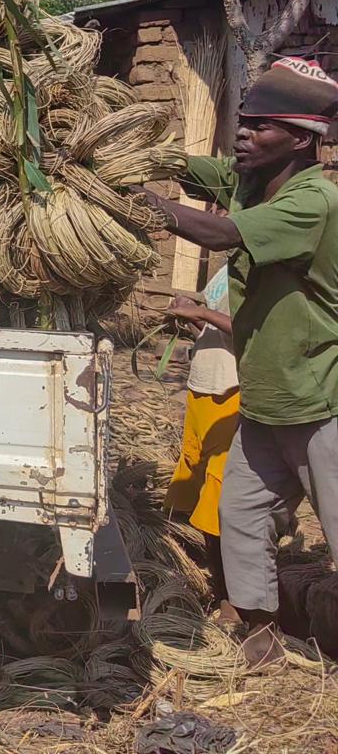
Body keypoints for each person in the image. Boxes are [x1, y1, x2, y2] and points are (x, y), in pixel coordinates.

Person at [144, 55, 338, 666]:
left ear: (301, 140)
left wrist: (141, 204)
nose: (244, 134)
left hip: (319, 402)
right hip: (266, 400)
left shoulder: (313, 201)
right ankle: (260, 635)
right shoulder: (251, 180)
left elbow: (222, 235)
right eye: (244, 122)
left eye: (261, 126)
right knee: (241, 512)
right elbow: (184, 167)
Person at [163, 264, 239, 615]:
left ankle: (230, 599)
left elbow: (252, 331)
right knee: (193, 477)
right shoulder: (224, 270)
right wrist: (190, 318)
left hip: (231, 390)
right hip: (202, 387)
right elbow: (211, 332)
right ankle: (197, 573)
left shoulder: (262, 269)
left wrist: (202, 312)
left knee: (219, 494)